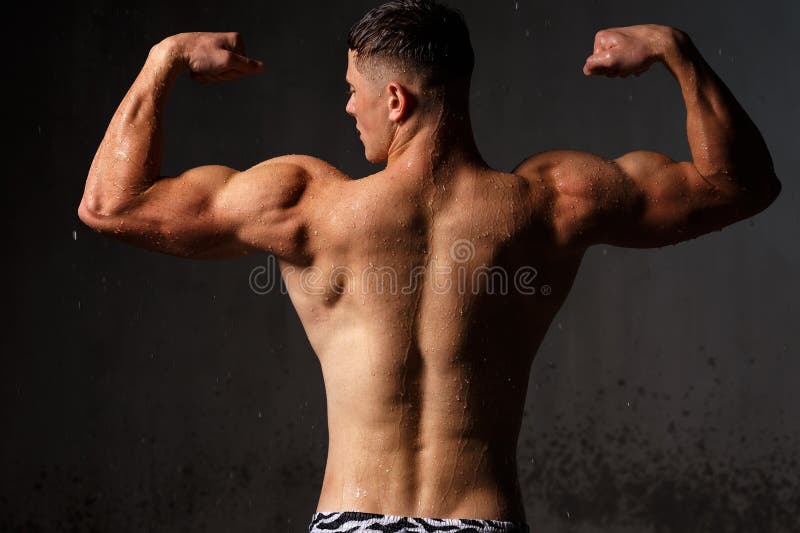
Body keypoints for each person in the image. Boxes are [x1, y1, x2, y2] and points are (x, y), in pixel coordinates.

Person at [77, 1, 781, 531]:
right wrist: (675, 52)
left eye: (354, 86)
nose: (347, 103)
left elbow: (111, 205)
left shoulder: (307, 206)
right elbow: (739, 185)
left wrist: (163, 59)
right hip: (481, 521)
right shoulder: (549, 203)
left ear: (396, 100)